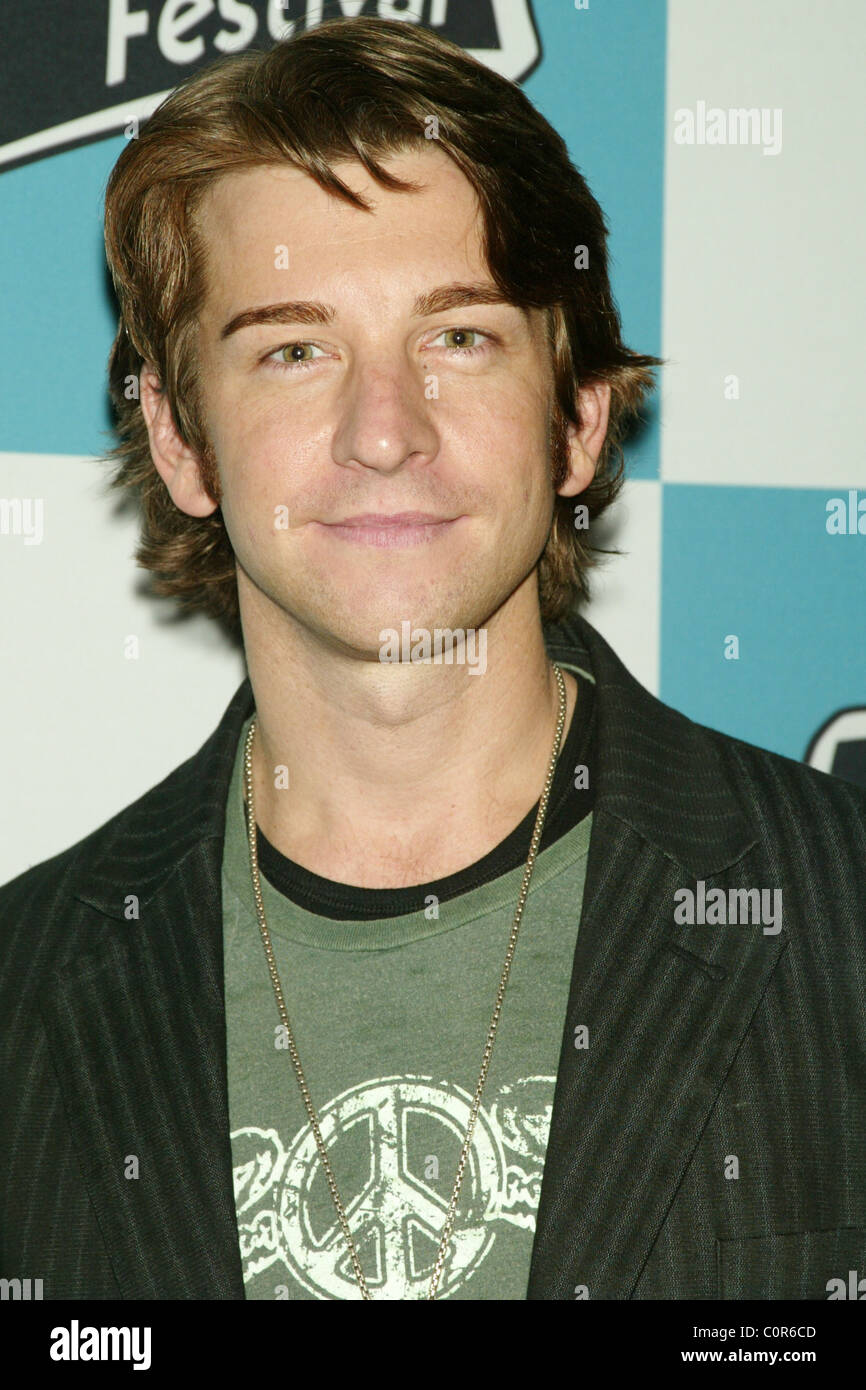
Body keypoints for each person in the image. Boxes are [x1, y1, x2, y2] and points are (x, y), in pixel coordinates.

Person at [1, 16, 864, 1303]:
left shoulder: (838, 908)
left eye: (457, 334)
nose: (384, 431)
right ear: (180, 441)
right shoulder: (24, 988)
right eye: (294, 349)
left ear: (575, 418)